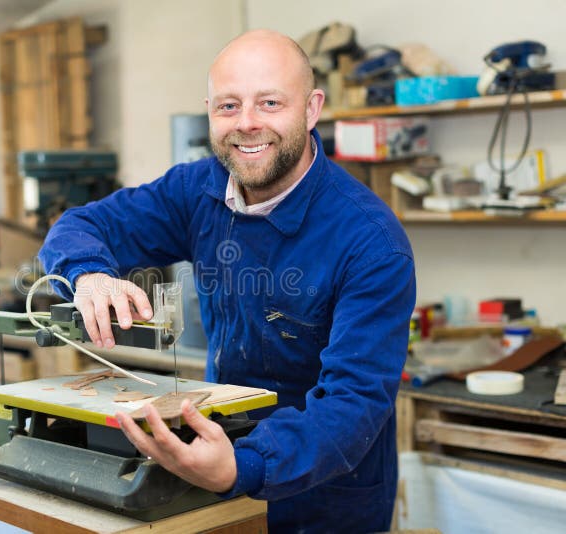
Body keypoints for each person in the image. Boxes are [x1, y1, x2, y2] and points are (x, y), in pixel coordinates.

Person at [39, 29, 416, 533]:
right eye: (228, 106)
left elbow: (354, 405)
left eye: (270, 102)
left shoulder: (371, 241)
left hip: (324, 498)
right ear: (210, 112)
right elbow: (79, 225)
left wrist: (245, 465)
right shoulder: (197, 189)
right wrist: (88, 275)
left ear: (311, 108)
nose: (247, 124)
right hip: (212, 469)